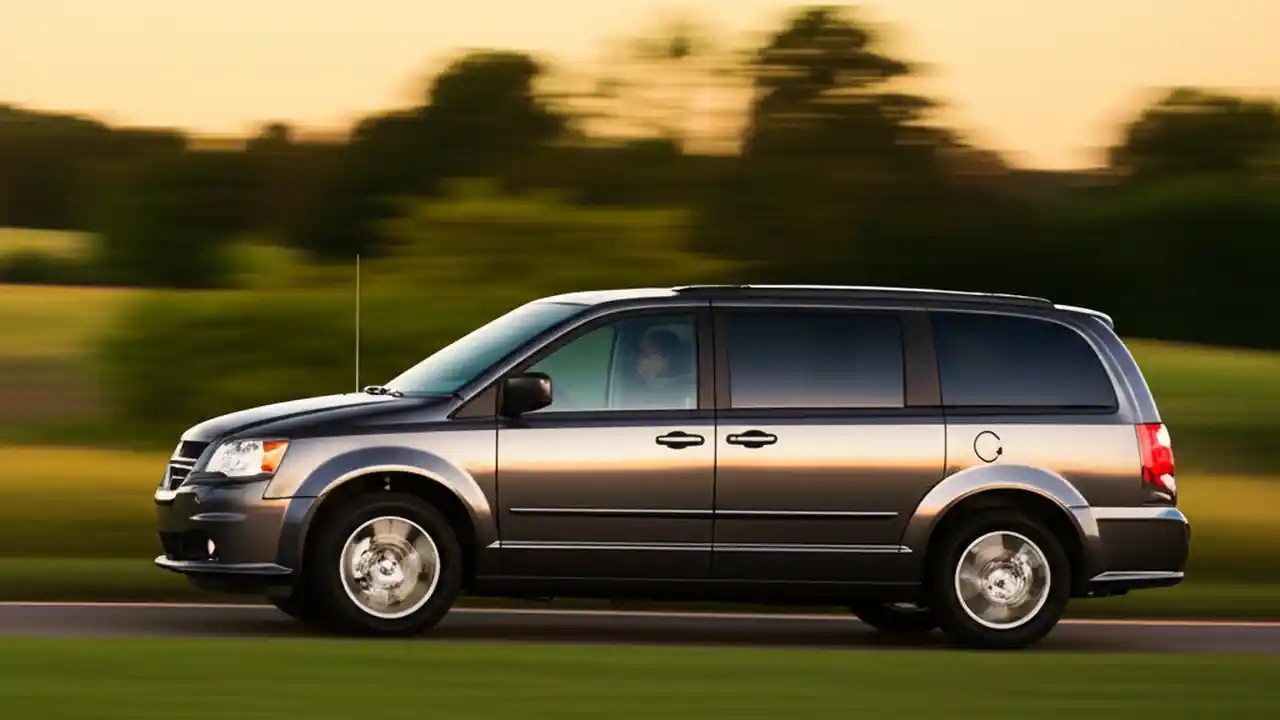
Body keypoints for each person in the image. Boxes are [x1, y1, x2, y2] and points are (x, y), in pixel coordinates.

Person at [631, 328, 695, 409]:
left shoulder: (688, 386)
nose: (641, 360)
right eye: (641, 355)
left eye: (650, 354)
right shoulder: (631, 386)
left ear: (668, 356)